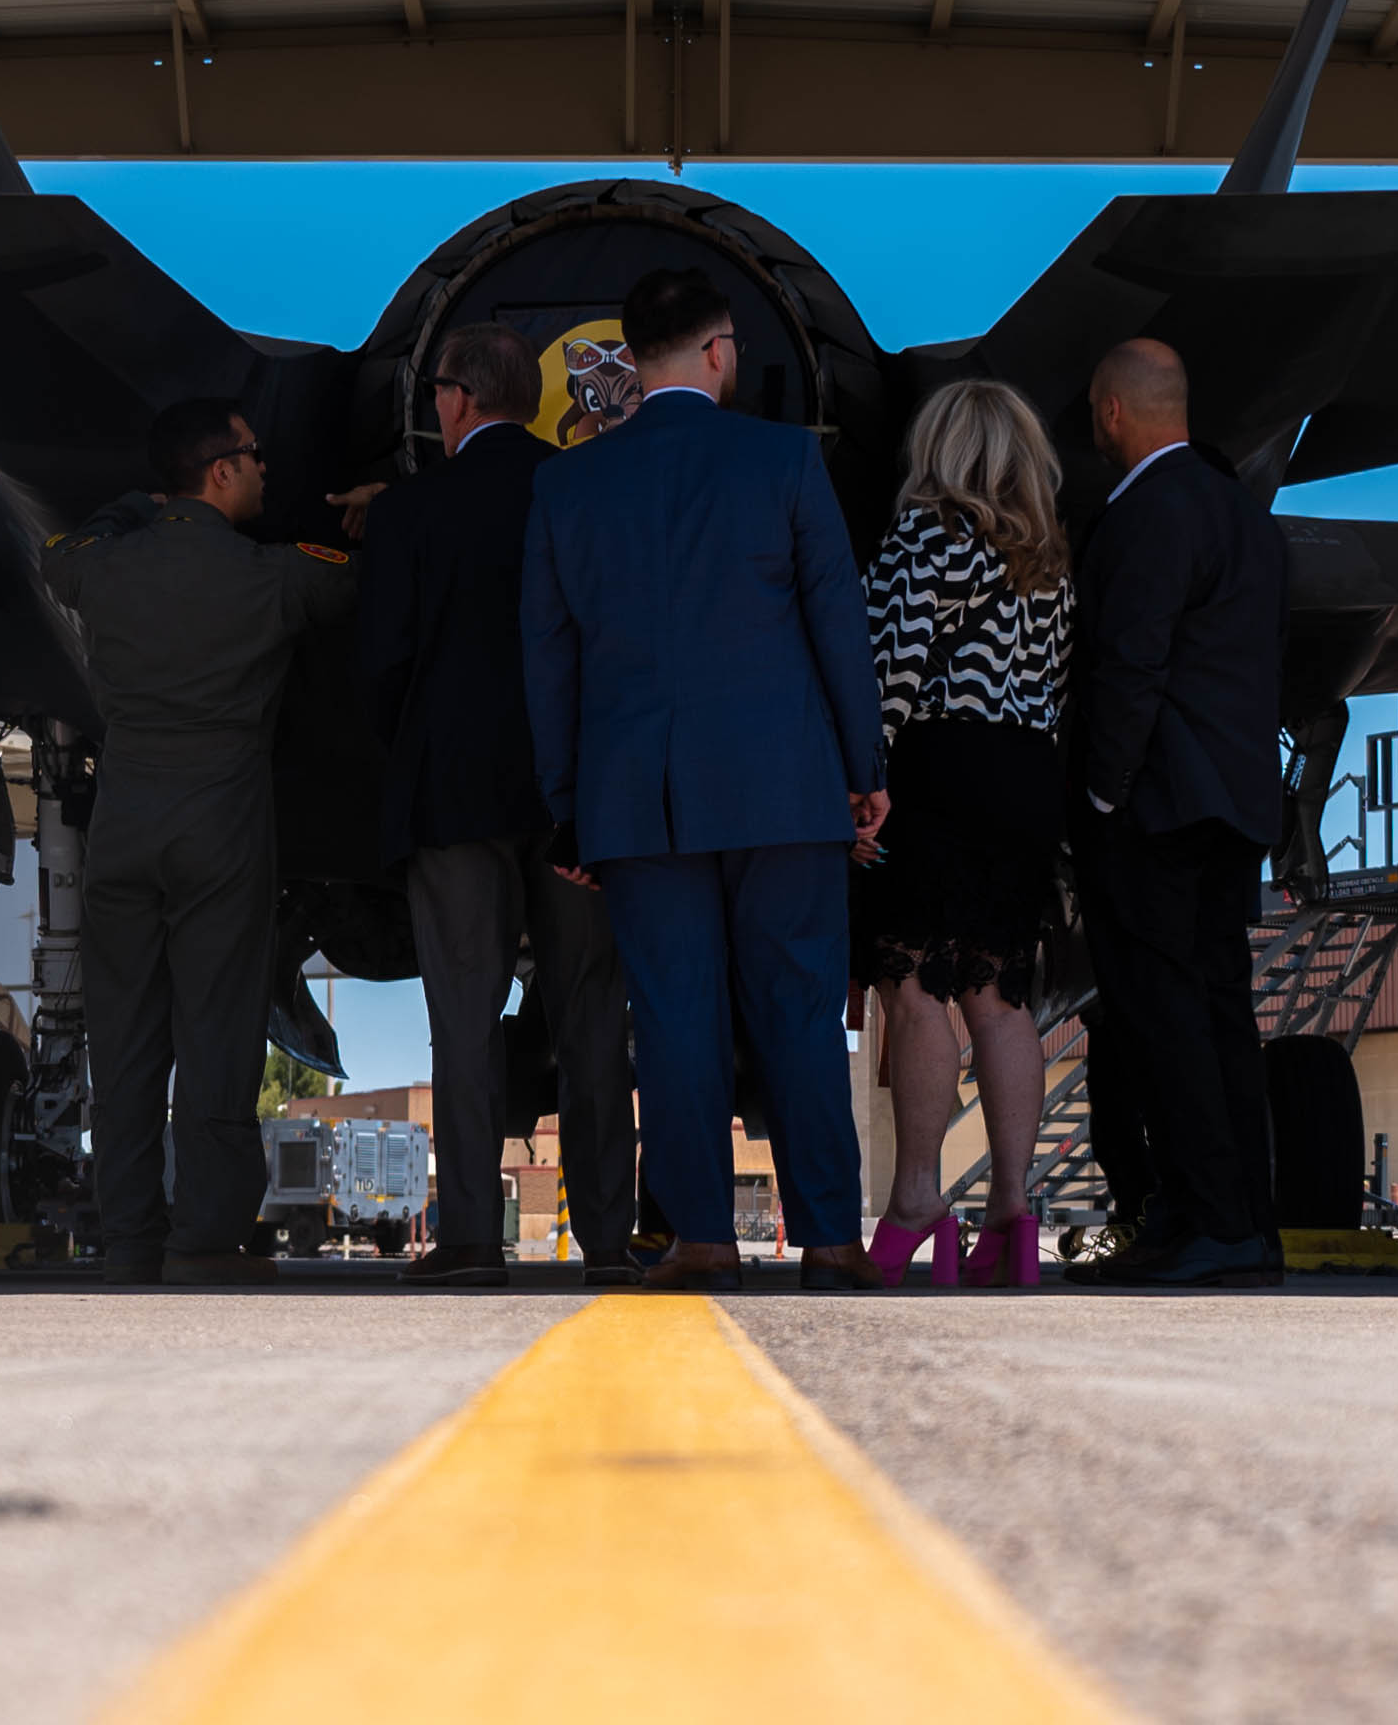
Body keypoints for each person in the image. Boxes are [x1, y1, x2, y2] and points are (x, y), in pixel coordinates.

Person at [520, 267, 889, 1290]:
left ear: (631, 357)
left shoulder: (567, 483)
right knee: (802, 1013)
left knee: (674, 1016)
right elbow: (836, 628)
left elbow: (548, 661)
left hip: (640, 800)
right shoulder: (782, 459)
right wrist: (862, 769)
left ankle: (702, 1240)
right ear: (720, 350)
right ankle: (828, 1238)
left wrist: (568, 811)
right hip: (785, 787)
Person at [352, 323, 640, 1288]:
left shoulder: (406, 515)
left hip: (452, 793)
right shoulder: (590, 495)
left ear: (455, 399)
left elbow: (381, 670)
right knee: (593, 1011)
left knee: (463, 1017)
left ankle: (472, 1235)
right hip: (579, 796)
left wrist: (425, 746)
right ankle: (607, 1237)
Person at [46, 395, 356, 1282]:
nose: (266, 469)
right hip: (219, 822)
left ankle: (132, 1235)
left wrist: (134, 511)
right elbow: (361, 581)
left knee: (127, 1037)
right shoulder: (274, 573)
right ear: (221, 470)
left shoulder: (104, 569)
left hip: (125, 823)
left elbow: (57, 557)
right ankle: (206, 1236)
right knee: (216, 1030)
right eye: (254, 456)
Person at [1066, 337, 1291, 1289]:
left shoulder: (1147, 510)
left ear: (1112, 411)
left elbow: (1130, 664)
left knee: (1162, 1019)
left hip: (1155, 808)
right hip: (1231, 805)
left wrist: (1098, 789)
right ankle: (1237, 1220)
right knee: (1218, 1013)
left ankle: (1205, 1218)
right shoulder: (1244, 516)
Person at [850, 379, 1077, 1289]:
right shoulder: (1050, 558)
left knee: (915, 985)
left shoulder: (926, 536)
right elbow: (1055, 687)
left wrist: (863, 778)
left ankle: (916, 1199)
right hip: (1025, 776)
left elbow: (890, 666)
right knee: (999, 993)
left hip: (938, 765)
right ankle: (1011, 1211)